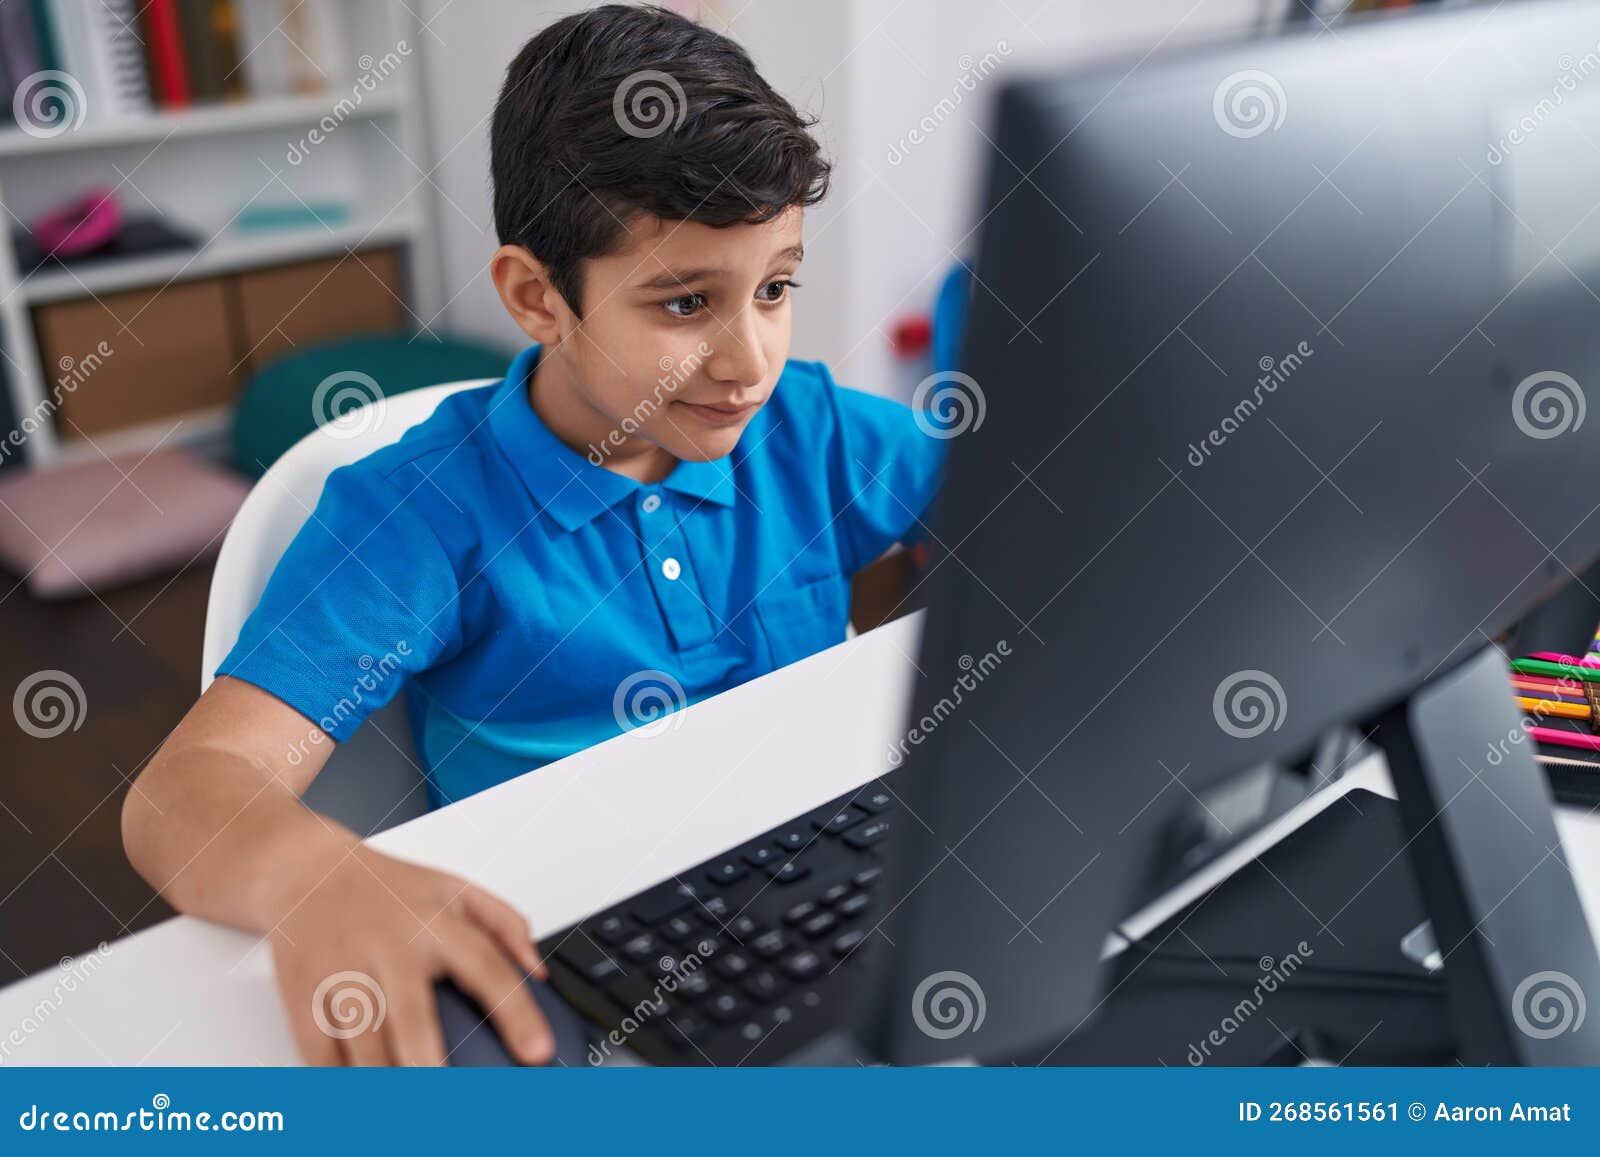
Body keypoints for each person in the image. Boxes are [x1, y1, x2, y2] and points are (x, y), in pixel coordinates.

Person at [122, 4, 945, 1067]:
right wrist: (312, 878)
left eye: (775, 287)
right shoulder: (424, 509)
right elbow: (187, 791)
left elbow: (1044, 507)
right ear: (536, 296)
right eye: (687, 303)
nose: (751, 361)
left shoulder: (809, 427)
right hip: (577, 961)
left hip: (812, 897)